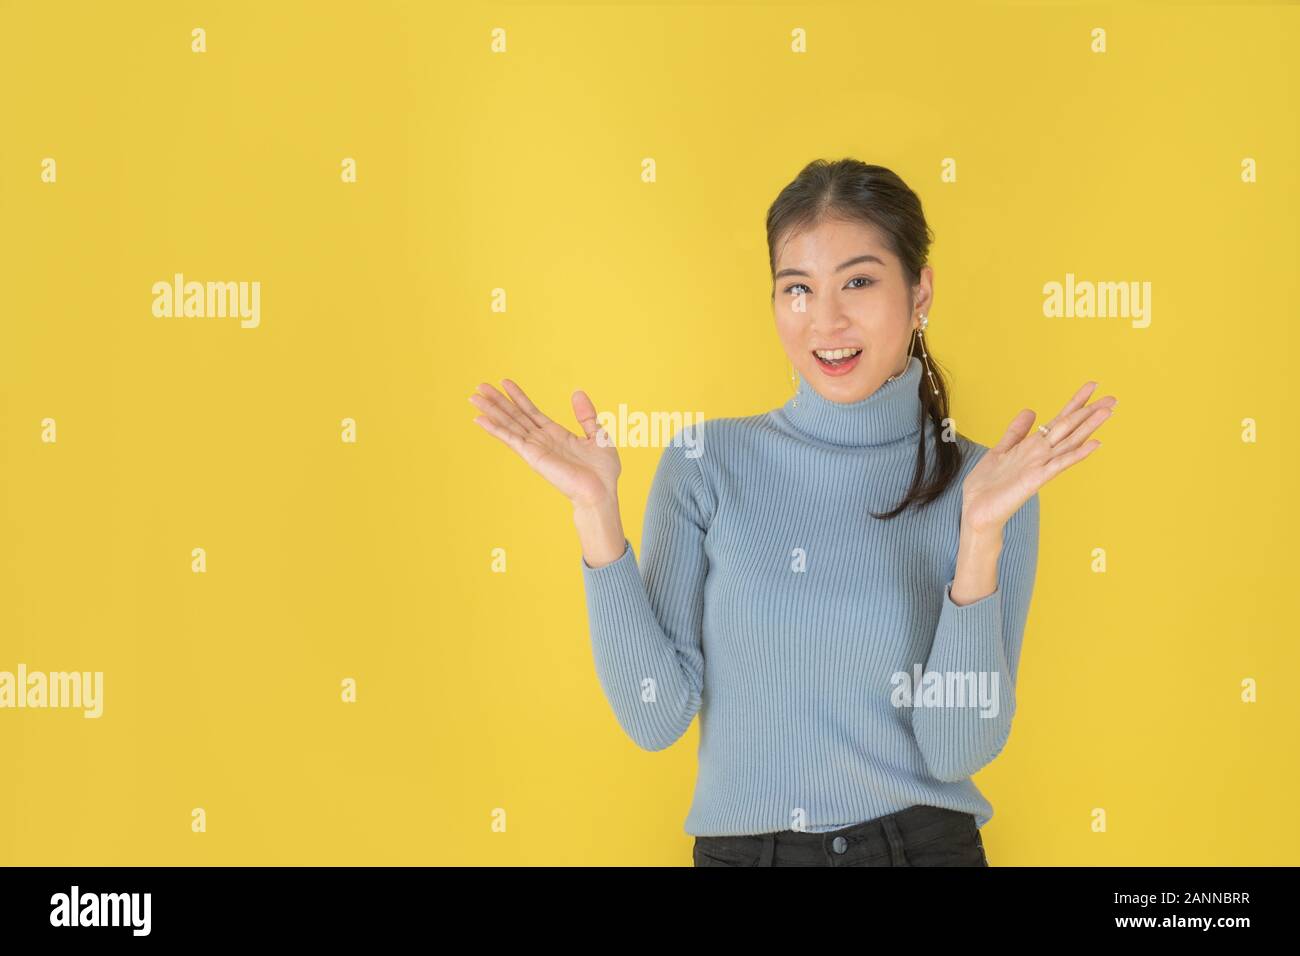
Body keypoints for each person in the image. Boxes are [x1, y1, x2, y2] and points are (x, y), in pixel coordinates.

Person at [469, 158, 1116, 866]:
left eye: (859, 282)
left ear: (920, 291)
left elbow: (957, 747)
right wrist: (595, 514)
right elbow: (655, 717)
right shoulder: (704, 462)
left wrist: (980, 536)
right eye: (798, 289)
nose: (827, 319)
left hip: (921, 849)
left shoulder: (993, 486)